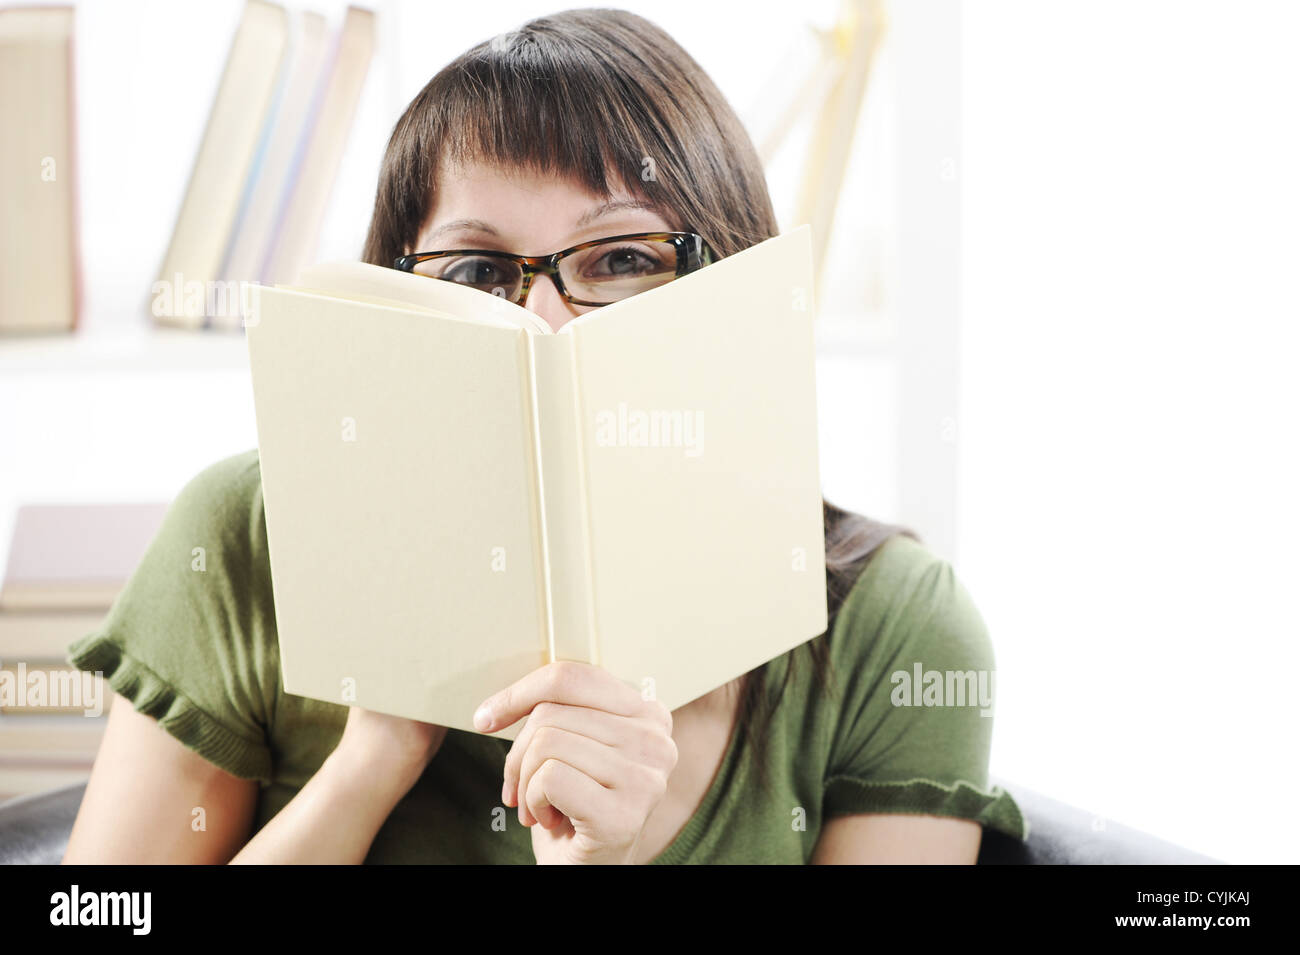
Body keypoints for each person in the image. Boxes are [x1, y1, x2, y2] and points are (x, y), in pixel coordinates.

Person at [61, 8, 1024, 864]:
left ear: (734, 279)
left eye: (620, 258)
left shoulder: (896, 631)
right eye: (480, 271)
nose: (550, 326)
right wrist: (369, 764)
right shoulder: (239, 538)